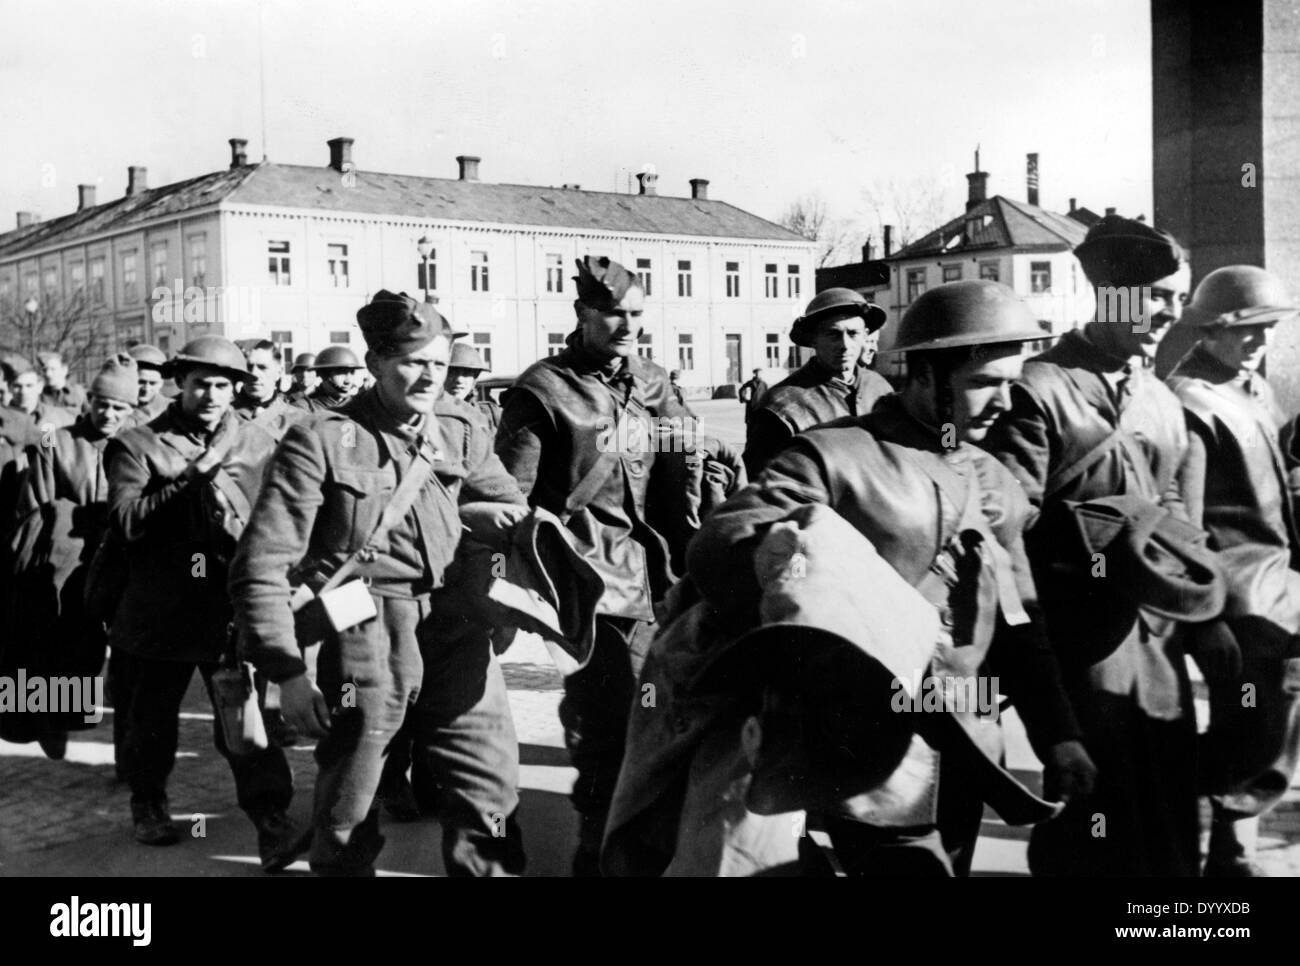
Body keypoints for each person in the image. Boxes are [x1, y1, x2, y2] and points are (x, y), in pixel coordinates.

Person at [671, 280, 1093, 876]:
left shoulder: (995, 481)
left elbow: (1021, 623)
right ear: (923, 374)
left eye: (1010, 383)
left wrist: (1059, 736)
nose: (1005, 402)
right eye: (984, 384)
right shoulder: (832, 458)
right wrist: (809, 573)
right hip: (866, 743)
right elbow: (720, 550)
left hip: (968, 741)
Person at [229, 291, 530, 877]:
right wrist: (287, 674)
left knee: (488, 788)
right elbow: (261, 564)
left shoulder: (460, 427)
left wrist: (498, 569)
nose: (430, 376)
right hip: (364, 624)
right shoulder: (322, 438)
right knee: (351, 796)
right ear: (374, 364)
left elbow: (504, 506)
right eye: (412, 362)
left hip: (455, 625)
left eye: (438, 363)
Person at [982, 214, 1202, 876]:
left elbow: (1173, 507)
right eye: (1156, 296)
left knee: (1166, 816)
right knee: (1093, 822)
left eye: (1178, 298)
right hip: (1079, 647)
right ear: (1110, 293)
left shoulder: (1160, 398)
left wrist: (1203, 604)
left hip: (1155, 645)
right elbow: (1005, 529)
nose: (1171, 313)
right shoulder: (1037, 387)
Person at [495, 255, 690, 876]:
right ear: (581, 313)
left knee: (657, 716)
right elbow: (510, 495)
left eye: (637, 314)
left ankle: (632, 843)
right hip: (587, 583)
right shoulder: (543, 390)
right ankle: (598, 851)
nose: (629, 326)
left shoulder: (653, 383)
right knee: (605, 721)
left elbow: (677, 475)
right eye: (614, 314)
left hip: (656, 580)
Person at [104, 335, 301, 869]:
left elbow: (278, 515)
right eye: (200, 384)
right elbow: (125, 523)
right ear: (180, 384)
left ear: (236, 388)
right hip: (158, 609)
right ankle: (148, 803)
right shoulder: (137, 444)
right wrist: (189, 481)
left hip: (226, 608)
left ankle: (271, 819)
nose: (211, 395)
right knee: (152, 721)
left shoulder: (257, 441)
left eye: (222, 385)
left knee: (243, 720)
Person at [1166, 265, 1300, 876]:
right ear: (1210, 329)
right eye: (1248, 330)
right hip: (1238, 600)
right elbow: (1185, 524)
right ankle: (1229, 852)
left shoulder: (1253, 390)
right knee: (1253, 719)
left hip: (1278, 587)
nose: (1261, 342)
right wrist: (1204, 619)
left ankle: (1232, 846)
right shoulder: (1190, 402)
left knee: (1267, 720)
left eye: (1269, 329)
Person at [2, 355, 138, 760]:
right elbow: (34, 503)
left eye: (119, 407)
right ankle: (52, 722)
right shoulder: (55, 439)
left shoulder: (137, 445)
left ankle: (130, 755)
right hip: (65, 560)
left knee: (121, 657)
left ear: (130, 410)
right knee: (63, 641)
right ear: (89, 401)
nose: (108, 414)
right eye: (102, 404)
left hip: (121, 561)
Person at [744, 288, 892, 477]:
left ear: (865, 335)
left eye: (853, 333)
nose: (845, 345)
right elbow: (758, 478)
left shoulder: (879, 387)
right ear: (813, 339)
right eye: (833, 334)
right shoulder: (781, 405)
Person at [233, 340, 305, 442]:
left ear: (278, 373)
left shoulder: (298, 419)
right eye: (248, 367)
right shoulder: (224, 414)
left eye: (262, 367)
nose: (254, 374)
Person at [1, 363, 73, 447]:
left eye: (29, 385)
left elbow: (50, 449)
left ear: (40, 387)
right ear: (9, 387)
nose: (23, 392)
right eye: (17, 386)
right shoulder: (2, 418)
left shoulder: (56, 417)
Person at [444, 342, 500, 435]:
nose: (459, 380)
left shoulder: (489, 413)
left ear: (474, 378)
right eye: (452, 372)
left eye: (466, 373)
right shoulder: (429, 414)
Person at [291, 345, 365, 412]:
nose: (348, 381)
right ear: (324, 375)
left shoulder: (359, 407)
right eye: (341, 373)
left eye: (352, 372)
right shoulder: (303, 408)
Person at [127, 344, 170, 423]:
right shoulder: (115, 409)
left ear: (161, 383)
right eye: (141, 382)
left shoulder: (173, 409)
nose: (146, 389)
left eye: (153, 383)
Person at [38, 350, 89, 415]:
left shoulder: (77, 392)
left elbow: (88, 415)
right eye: (45, 370)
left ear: (64, 370)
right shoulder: (40, 396)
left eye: (53, 369)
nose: (48, 374)